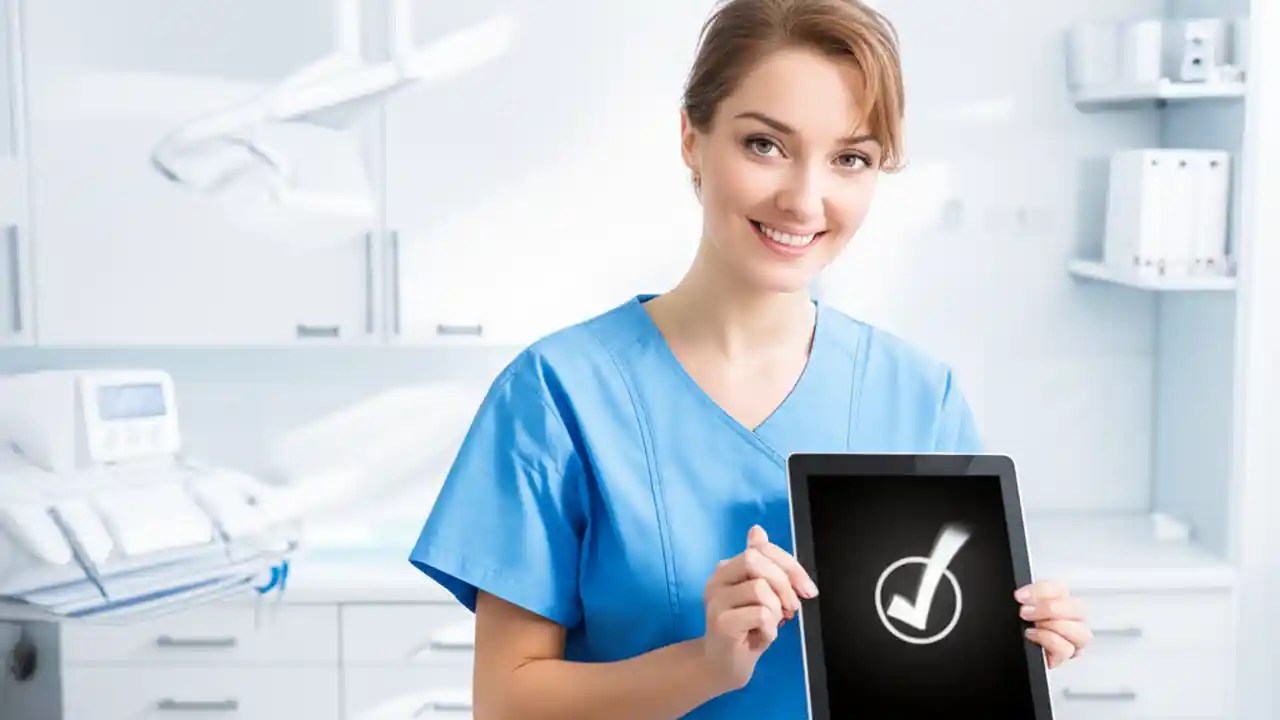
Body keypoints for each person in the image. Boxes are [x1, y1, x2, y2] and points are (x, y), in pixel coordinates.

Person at [408, 0, 1093, 717]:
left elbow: (924, 681)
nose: (804, 199)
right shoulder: (558, 395)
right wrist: (705, 667)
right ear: (691, 139)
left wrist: (1004, 662)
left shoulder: (921, 397)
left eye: (850, 159)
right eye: (765, 145)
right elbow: (506, 701)